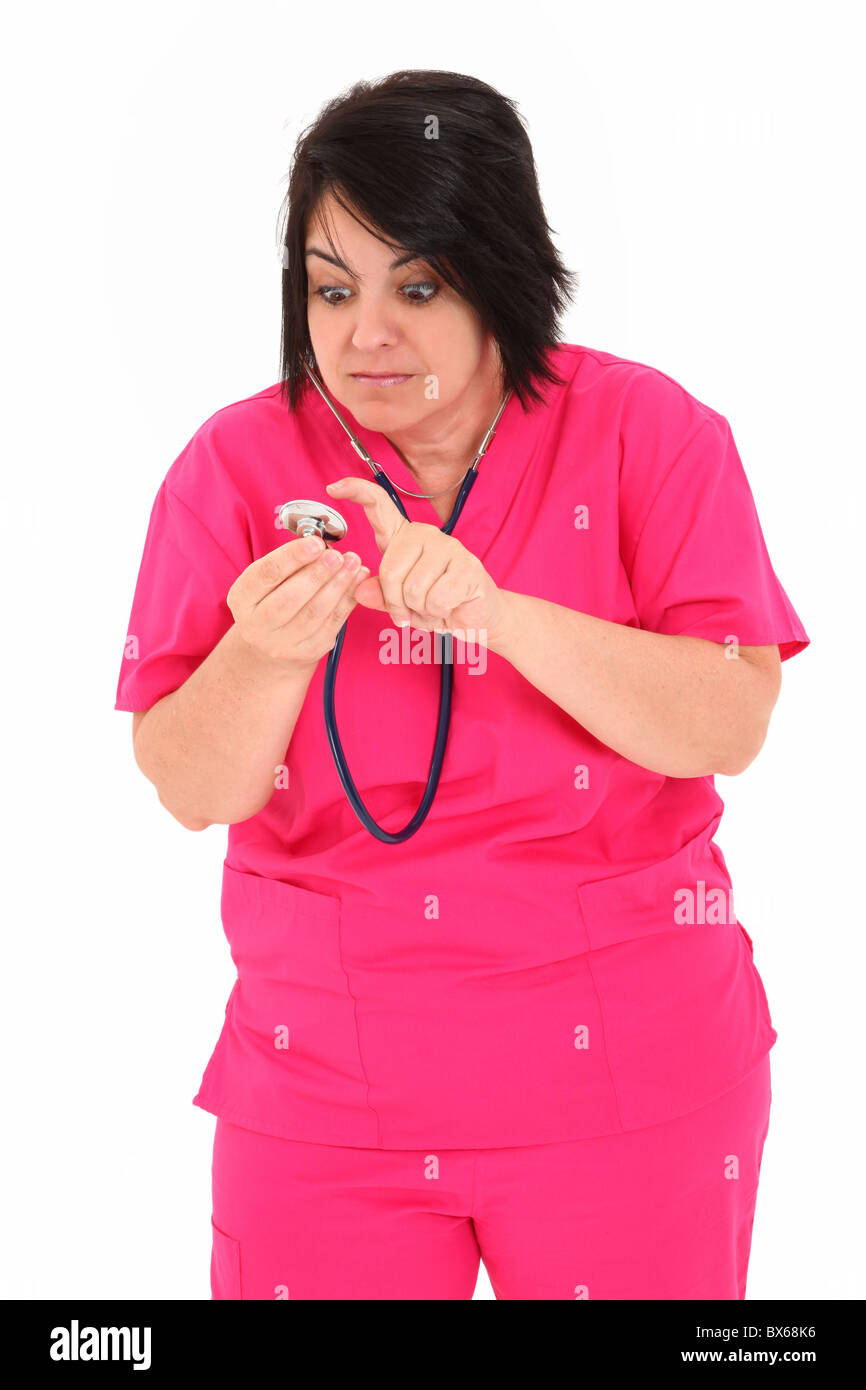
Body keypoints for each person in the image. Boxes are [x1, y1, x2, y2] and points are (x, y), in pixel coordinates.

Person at [114, 70, 810, 1300]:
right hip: (324, 1093)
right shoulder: (235, 464)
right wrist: (265, 652)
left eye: (416, 287)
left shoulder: (650, 435)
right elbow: (186, 783)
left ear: (503, 272)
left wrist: (490, 611)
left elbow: (729, 715)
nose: (362, 335)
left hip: (626, 1084)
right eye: (330, 289)